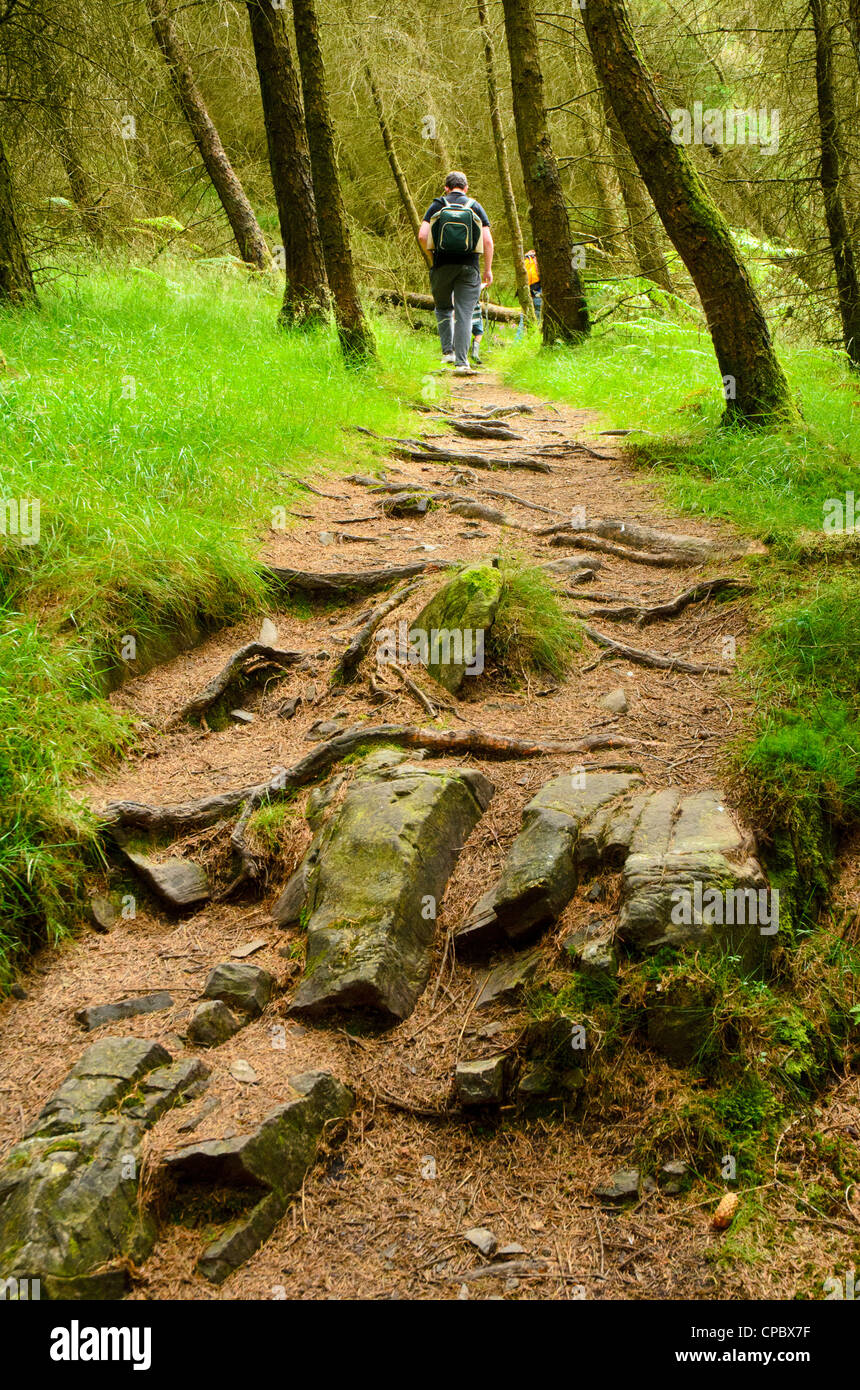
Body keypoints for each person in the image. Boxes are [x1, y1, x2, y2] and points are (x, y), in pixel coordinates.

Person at [418, 171, 494, 376]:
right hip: (470, 268)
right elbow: (487, 242)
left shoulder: (437, 205)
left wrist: (432, 256)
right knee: (464, 314)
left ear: (446, 188)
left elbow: (422, 235)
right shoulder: (475, 207)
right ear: (466, 188)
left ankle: (448, 352)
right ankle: (462, 363)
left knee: (443, 308)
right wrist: (487, 269)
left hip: (442, 266)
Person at [524, 249, 542, 321]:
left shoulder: (527, 258)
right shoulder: (537, 258)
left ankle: (521, 331)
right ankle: (536, 330)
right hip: (536, 287)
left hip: (527, 287)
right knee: (537, 311)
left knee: (525, 312)